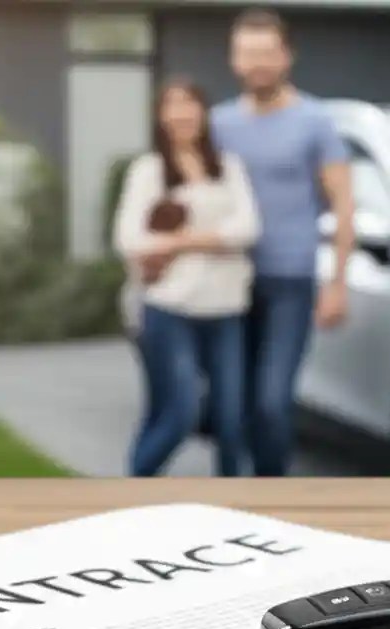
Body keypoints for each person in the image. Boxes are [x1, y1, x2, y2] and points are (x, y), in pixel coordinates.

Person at [210, 7, 356, 477]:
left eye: (266, 54)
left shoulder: (315, 121)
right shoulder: (218, 123)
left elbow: (344, 204)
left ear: (286, 56)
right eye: (247, 54)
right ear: (233, 60)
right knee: (232, 406)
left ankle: (274, 492)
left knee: (272, 401)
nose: (257, 64)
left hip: (290, 281)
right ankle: (235, 501)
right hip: (227, 282)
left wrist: (337, 284)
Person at [114, 78, 261, 477]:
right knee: (179, 412)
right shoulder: (148, 171)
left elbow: (248, 229)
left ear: (203, 112)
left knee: (231, 422)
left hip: (226, 310)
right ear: (160, 117)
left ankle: (235, 514)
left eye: (189, 103)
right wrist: (213, 240)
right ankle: (131, 492)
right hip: (169, 310)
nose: (182, 113)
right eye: (172, 105)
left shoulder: (229, 168)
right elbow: (129, 240)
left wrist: (179, 240)